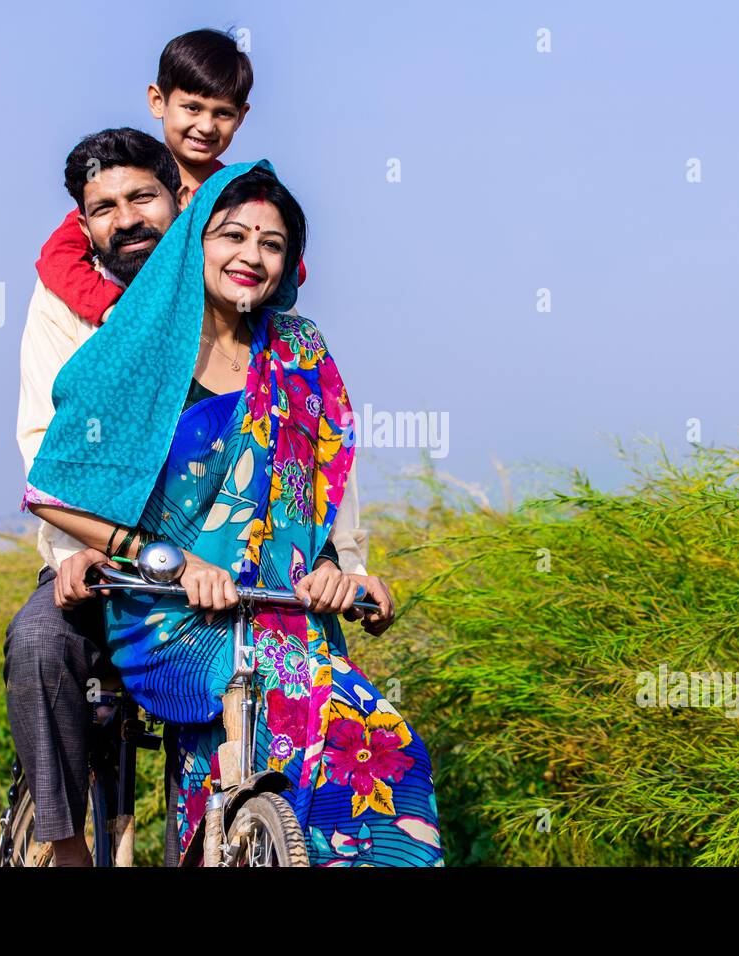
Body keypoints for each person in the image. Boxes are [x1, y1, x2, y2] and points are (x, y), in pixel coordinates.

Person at [27, 161, 443, 866]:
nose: (252, 256)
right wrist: (173, 559)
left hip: (277, 605)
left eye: (272, 243)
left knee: (381, 739)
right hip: (169, 603)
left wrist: (341, 575)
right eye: (233, 235)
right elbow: (56, 492)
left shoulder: (301, 351)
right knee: (298, 708)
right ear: (196, 240)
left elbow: (321, 493)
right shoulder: (142, 346)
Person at [35, 27, 306, 330]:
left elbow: (292, 266)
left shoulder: (240, 195)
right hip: (136, 329)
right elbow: (57, 256)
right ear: (157, 100)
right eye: (192, 108)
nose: (206, 126)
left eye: (223, 114)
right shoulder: (124, 186)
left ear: (241, 116)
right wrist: (111, 307)